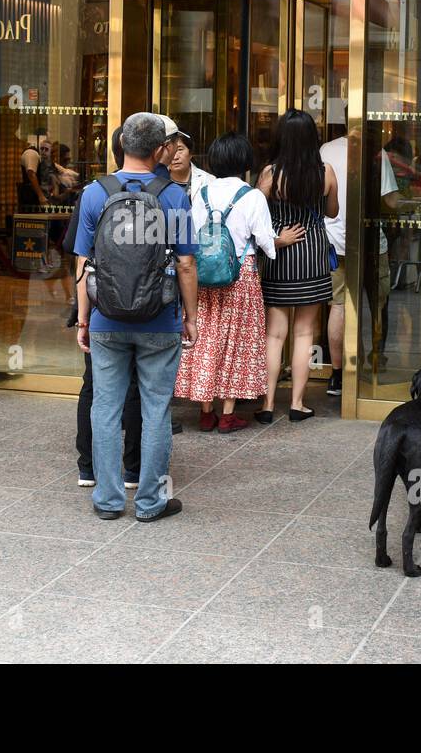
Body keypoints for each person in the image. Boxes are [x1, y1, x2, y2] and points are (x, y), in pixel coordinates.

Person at [75, 112, 197, 522]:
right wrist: (191, 317)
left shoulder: (94, 193)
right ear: (161, 150)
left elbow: (82, 265)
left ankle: (108, 501)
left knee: (105, 408)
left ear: (122, 144)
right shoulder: (174, 195)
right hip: (160, 319)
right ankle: (150, 502)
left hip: (107, 319)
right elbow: (185, 264)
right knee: (156, 409)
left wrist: (83, 319)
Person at [175, 133, 276, 431]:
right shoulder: (253, 196)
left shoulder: (201, 194)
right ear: (245, 162)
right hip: (240, 275)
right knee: (237, 342)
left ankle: (206, 412)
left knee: (205, 338)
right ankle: (228, 413)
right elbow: (267, 245)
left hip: (203, 276)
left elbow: (189, 237)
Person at [68, 124, 144, 489]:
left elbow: (81, 257)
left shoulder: (93, 194)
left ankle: (89, 467)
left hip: (101, 304)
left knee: (95, 387)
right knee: (134, 388)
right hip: (148, 307)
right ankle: (133, 470)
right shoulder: (164, 195)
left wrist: (82, 316)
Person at [257, 108, 338, 422]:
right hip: (313, 250)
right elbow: (331, 211)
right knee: (304, 333)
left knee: (274, 334)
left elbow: (255, 213)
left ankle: (266, 405)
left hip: (280, 251)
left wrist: (278, 231)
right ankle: (297, 404)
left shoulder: (270, 174)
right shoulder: (325, 172)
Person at [320, 129, 399, 396]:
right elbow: (390, 199)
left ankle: (339, 374)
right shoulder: (376, 154)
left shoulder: (326, 150)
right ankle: (374, 363)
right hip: (370, 243)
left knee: (338, 306)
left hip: (334, 242)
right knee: (377, 303)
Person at [167, 131, 216, 199]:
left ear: (191, 153)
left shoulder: (208, 181)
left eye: (180, 149)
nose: (175, 157)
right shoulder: (157, 180)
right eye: (170, 150)